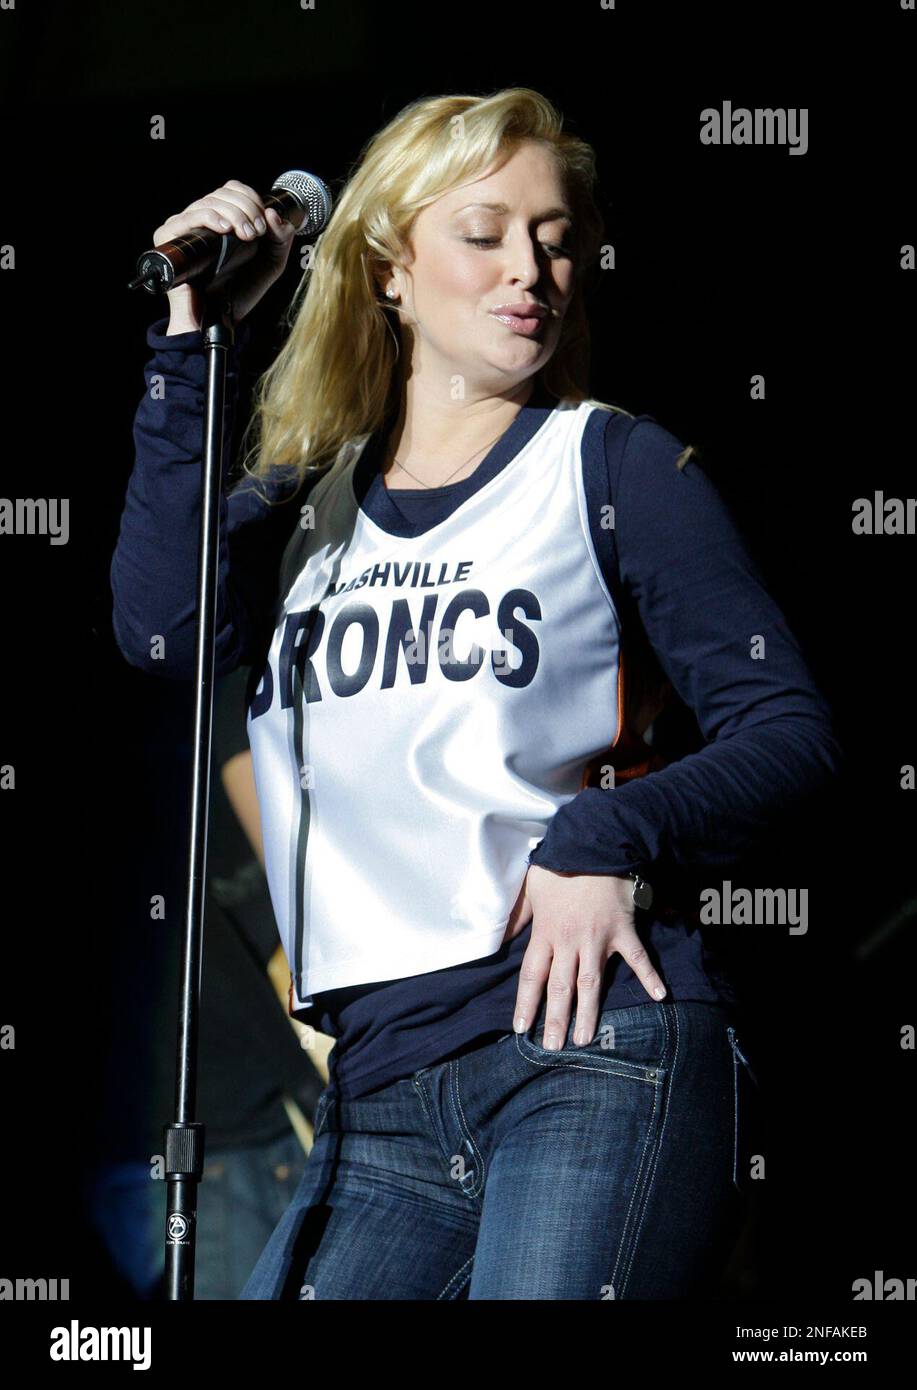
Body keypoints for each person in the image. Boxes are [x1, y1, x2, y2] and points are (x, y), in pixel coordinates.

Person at [110, 87, 842, 1299]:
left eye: (557, 239)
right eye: (486, 232)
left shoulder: (611, 465)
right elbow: (159, 634)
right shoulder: (302, 507)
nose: (532, 270)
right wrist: (192, 346)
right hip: (378, 1091)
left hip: (586, 1045)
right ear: (390, 267)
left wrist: (603, 831)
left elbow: (791, 730)